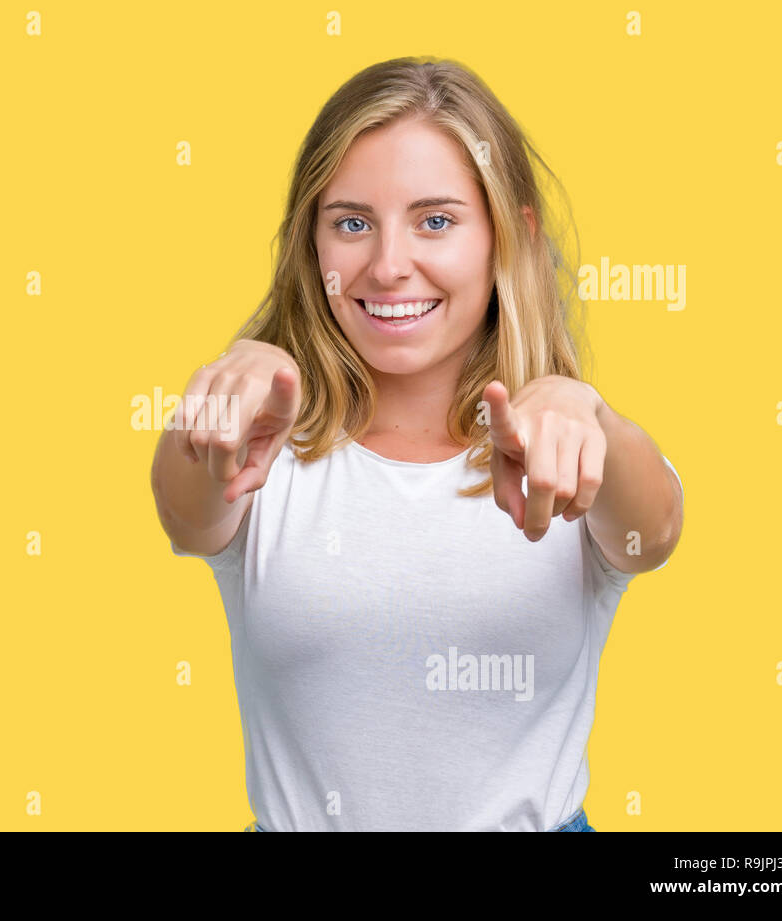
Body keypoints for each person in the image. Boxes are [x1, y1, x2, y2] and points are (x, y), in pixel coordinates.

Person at [149, 57, 684, 832]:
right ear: (314, 243)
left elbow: (655, 531)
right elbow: (184, 507)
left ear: (510, 236)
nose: (389, 265)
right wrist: (227, 396)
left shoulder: (566, 449)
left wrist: (591, 415)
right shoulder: (266, 444)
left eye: (436, 220)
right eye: (352, 222)